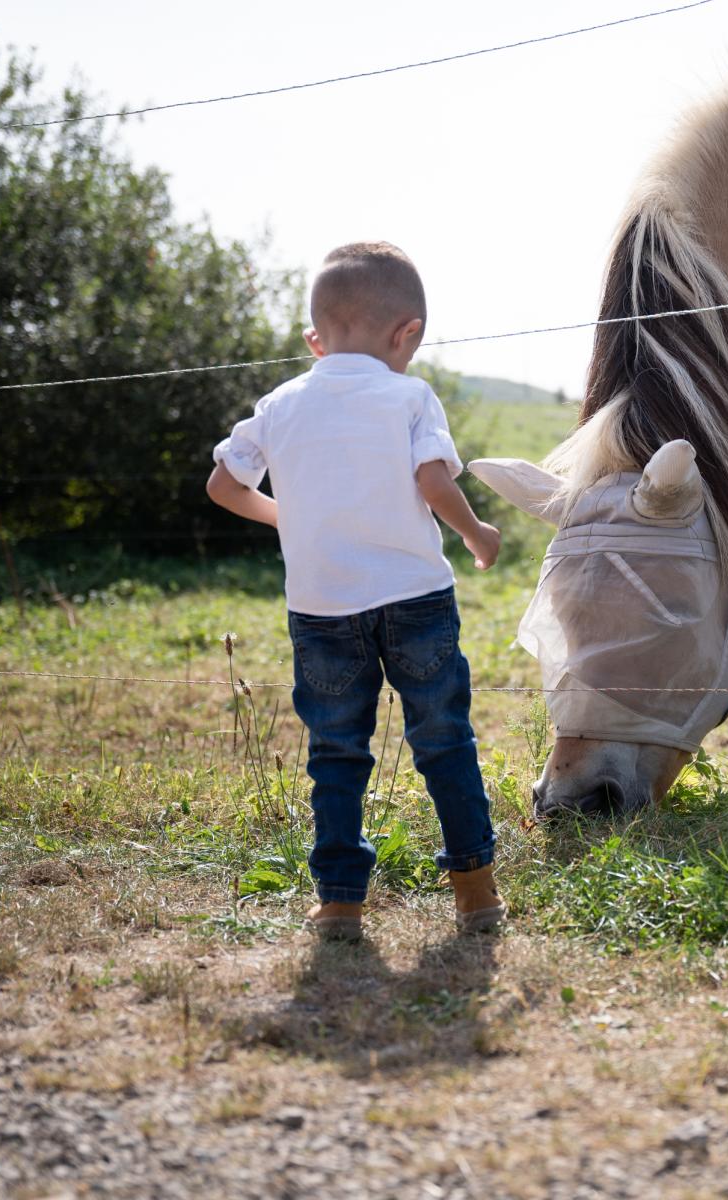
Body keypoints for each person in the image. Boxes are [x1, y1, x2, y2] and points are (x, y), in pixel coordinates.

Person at [206, 241, 505, 940]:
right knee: (444, 742)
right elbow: (434, 481)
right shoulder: (409, 394)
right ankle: (476, 893)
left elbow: (224, 485)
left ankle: (338, 901)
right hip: (416, 601)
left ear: (315, 337)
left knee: (336, 753)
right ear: (408, 335)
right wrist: (477, 534)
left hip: (321, 610)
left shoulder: (279, 403)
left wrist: (287, 514)